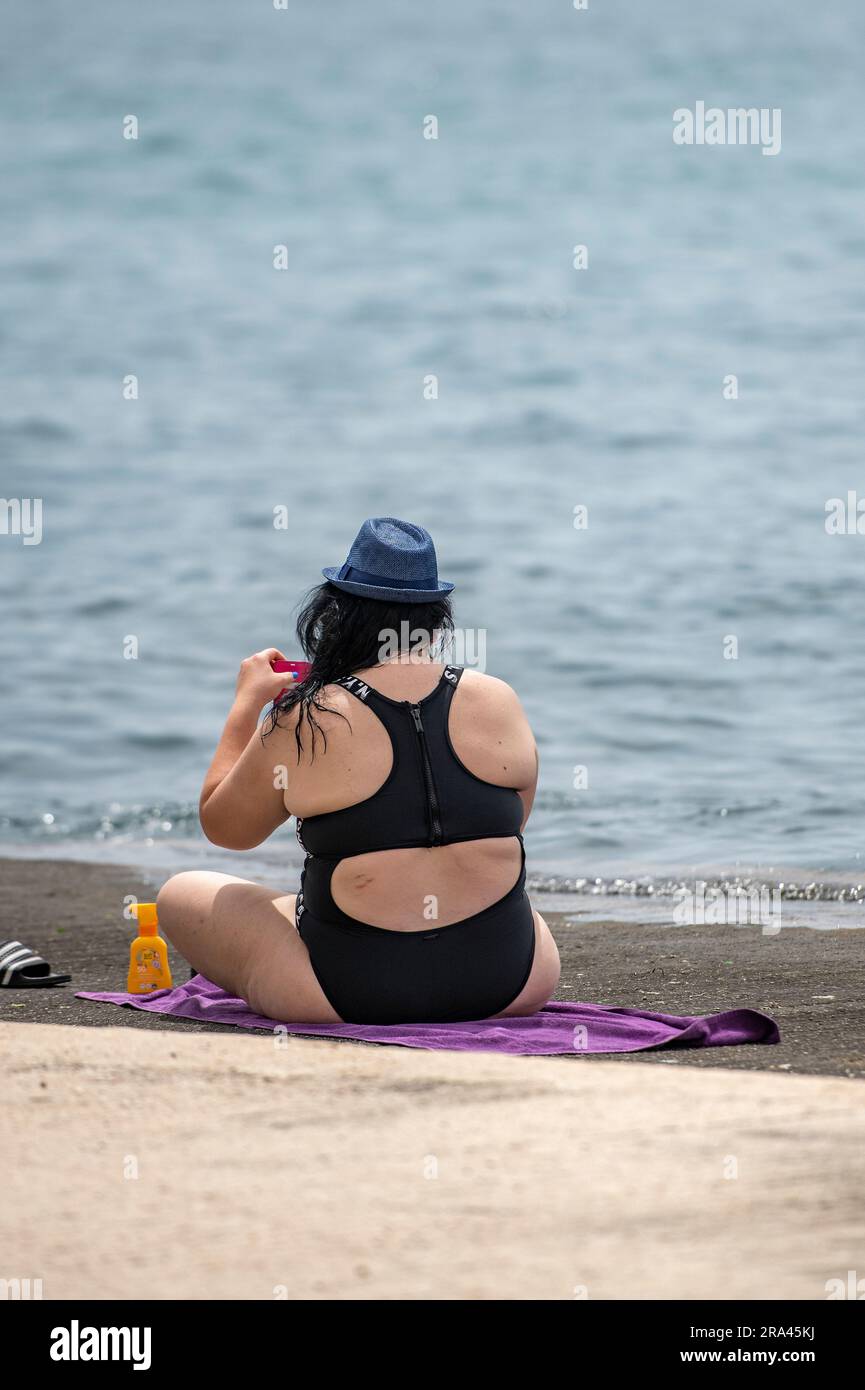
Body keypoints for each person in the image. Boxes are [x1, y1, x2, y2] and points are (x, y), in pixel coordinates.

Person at [157, 517, 561, 1023]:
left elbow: (226, 829)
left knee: (180, 893)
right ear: (436, 616)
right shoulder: (499, 699)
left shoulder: (306, 715)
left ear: (336, 612)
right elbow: (508, 823)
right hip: (512, 984)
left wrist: (246, 705)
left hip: (346, 996)